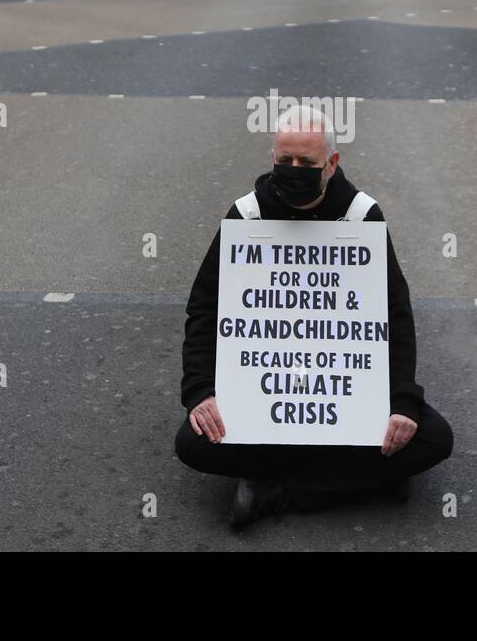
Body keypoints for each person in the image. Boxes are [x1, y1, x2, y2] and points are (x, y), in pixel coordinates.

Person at [176, 106, 453, 528]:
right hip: (269, 396)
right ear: (272, 157)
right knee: (191, 444)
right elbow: (206, 308)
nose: (294, 169)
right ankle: (369, 476)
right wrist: (200, 391)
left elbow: (393, 315)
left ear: (332, 163)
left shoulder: (362, 216)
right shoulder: (246, 216)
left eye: (307, 163)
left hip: (343, 394)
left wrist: (401, 403)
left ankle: (276, 490)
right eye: (284, 160)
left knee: (434, 437)